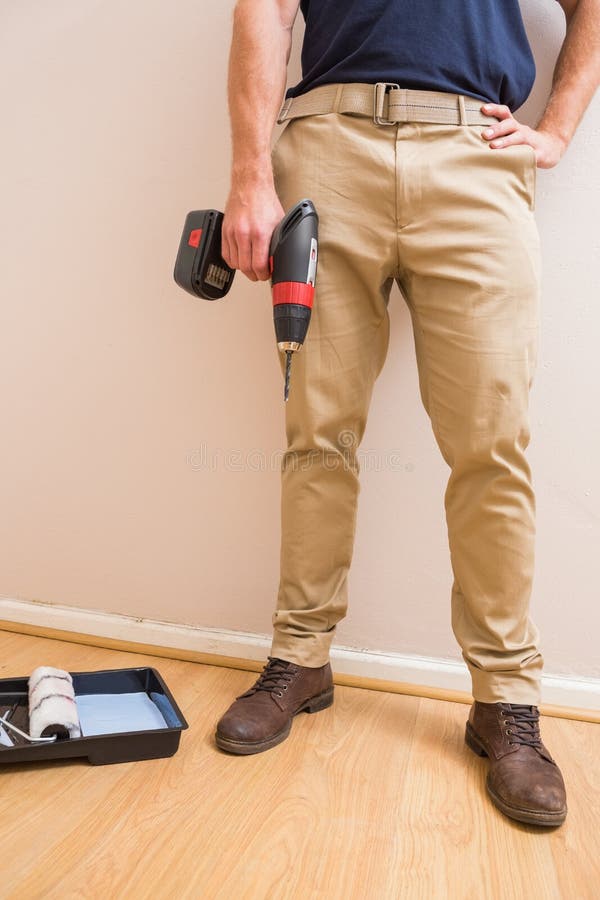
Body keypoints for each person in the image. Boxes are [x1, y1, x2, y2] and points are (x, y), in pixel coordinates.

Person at [215, 0, 599, 827]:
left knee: (492, 446)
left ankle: (505, 701)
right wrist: (249, 173)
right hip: (326, 149)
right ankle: (300, 657)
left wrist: (558, 130)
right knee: (319, 433)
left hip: (476, 155)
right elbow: (265, 10)